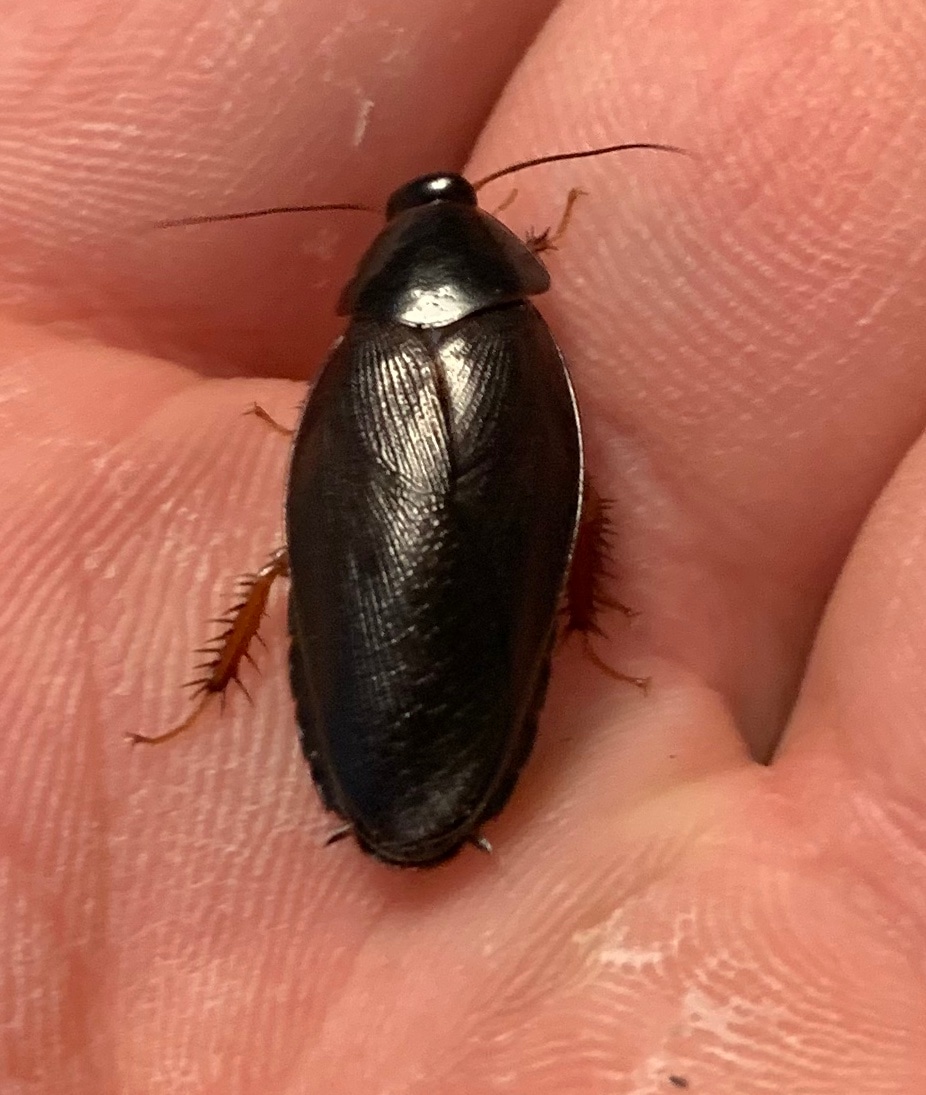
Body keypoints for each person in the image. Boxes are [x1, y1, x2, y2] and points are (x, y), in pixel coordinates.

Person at [2, 0, 923, 1089]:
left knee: (300, 564)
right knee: (527, 530)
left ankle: (224, 696)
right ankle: (558, 640)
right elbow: (569, 508)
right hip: (488, 435)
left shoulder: (361, 350)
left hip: (377, 427)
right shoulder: (521, 337)